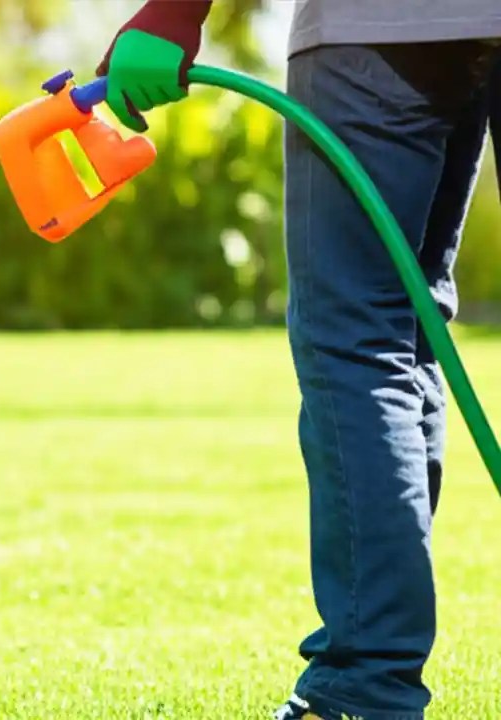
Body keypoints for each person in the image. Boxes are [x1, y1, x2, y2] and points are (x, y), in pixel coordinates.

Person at [97, 2, 501, 719]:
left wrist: (173, 12)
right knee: (403, 332)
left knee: (364, 341)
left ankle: (363, 689)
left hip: (379, 29)